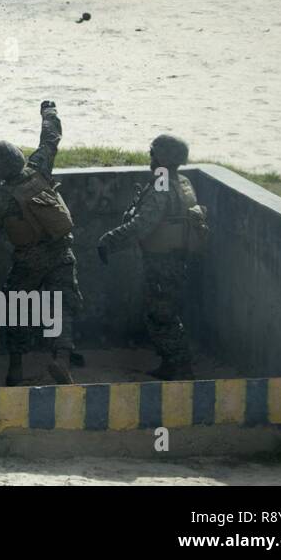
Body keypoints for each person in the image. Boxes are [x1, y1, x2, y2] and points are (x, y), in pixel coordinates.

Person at [0, 101, 82, 386]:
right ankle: (62, 359)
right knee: (60, 305)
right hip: (62, 252)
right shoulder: (39, 167)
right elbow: (51, 137)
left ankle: (15, 370)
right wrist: (49, 110)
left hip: (28, 261)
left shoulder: (1, 199)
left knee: (16, 308)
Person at [97, 133, 206, 380]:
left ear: (163, 158)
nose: (150, 157)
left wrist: (109, 241)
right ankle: (173, 365)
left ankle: (180, 368)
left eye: (153, 153)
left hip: (162, 262)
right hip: (176, 258)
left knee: (161, 315)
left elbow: (143, 224)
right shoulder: (183, 181)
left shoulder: (161, 184)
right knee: (162, 312)